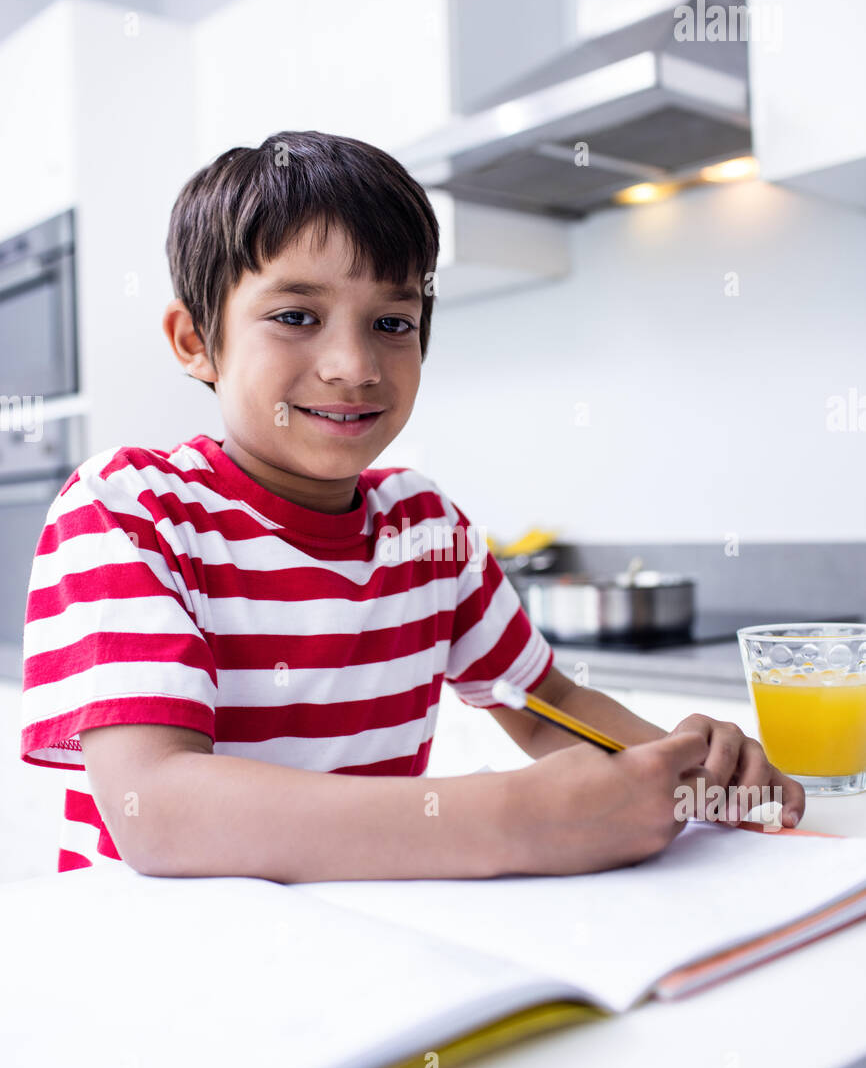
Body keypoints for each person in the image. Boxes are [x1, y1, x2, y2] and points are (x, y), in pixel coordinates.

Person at [19, 130, 803, 880]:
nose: (354, 366)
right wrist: (510, 819)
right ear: (195, 340)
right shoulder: (127, 510)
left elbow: (546, 704)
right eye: (296, 316)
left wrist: (688, 768)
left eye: (392, 323)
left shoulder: (427, 529)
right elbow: (156, 808)